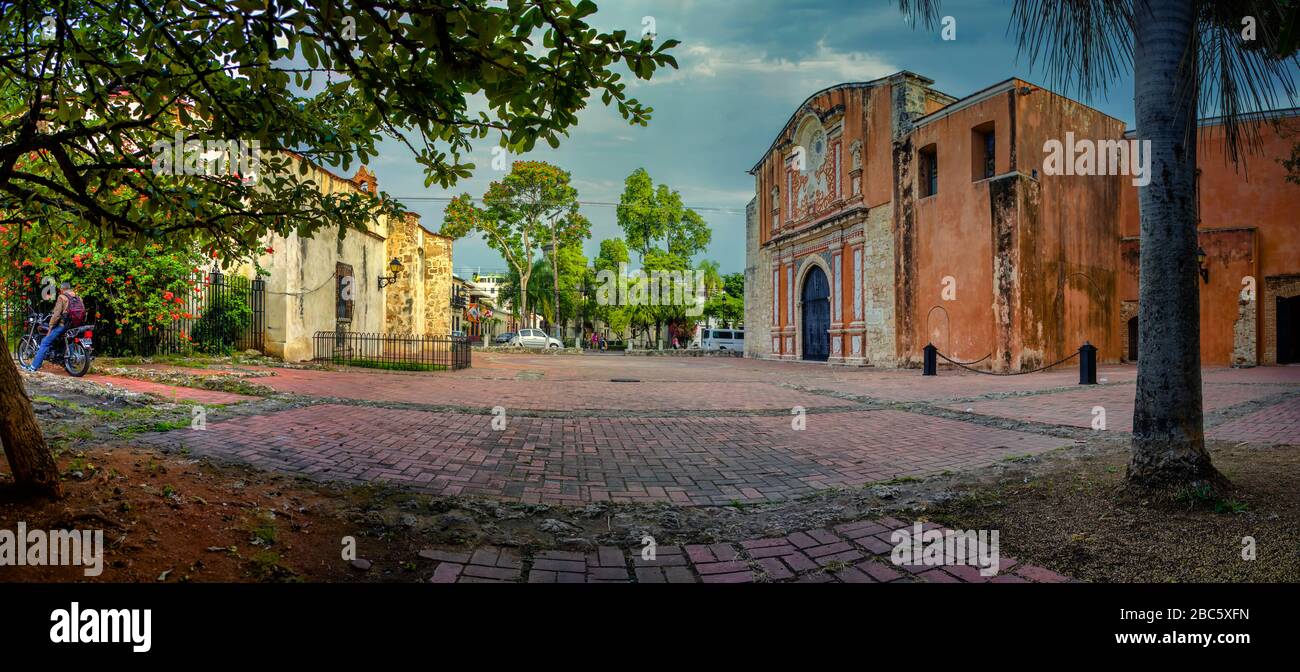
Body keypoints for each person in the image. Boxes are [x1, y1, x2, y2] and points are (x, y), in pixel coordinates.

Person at [23, 282, 84, 372]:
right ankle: (68, 363)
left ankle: (33, 367)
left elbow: (56, 315)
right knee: (68, 341)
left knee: (45, 342)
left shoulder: (62, 297)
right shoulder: (78, 297)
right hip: (74, 325)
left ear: (62, 289)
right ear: (69, 288)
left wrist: (51, 326)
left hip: (63, 325)